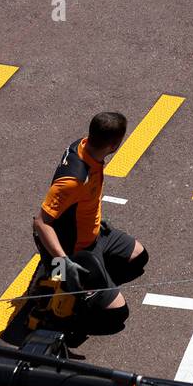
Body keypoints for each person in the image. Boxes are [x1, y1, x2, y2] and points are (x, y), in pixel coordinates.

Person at [32, 112, 148, 344]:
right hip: (73, 249)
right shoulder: (74, 179)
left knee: (138, 257)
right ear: (114, 144)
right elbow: (40, 222)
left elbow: (84, 198)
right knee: (117, 315)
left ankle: (89, 282)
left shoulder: (86, 145)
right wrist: (63, 261)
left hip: (93, 234)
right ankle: (63, 310)